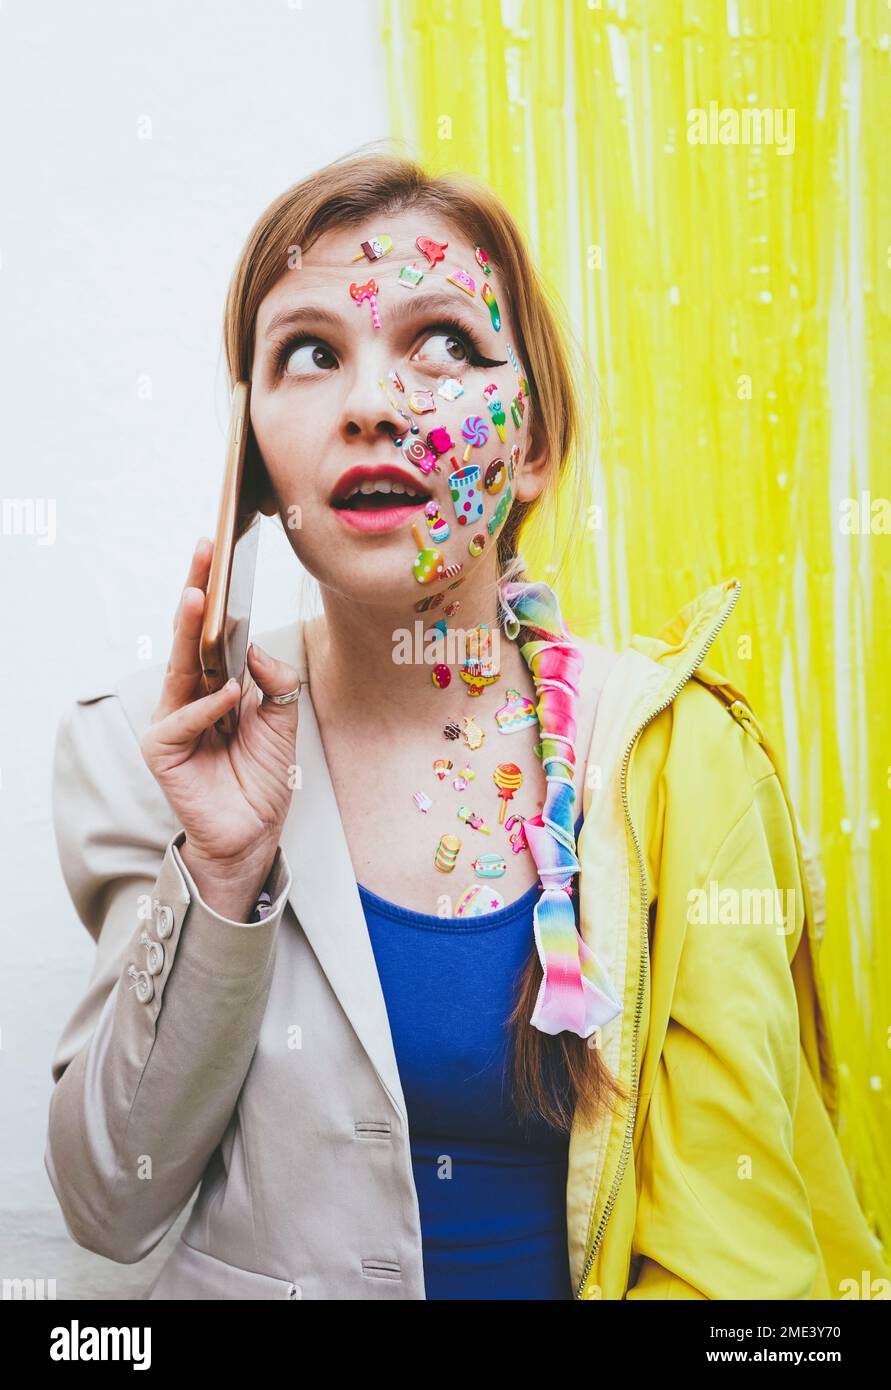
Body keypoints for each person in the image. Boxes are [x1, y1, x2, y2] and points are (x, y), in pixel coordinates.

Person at [45, 151, 889, 1301]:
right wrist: (221, 868)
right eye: (310, 352)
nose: (375, 403)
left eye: (445, 344)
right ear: (247, 464)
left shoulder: (675, 759)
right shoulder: (145, 753)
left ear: (534, 448)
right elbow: (109, 1203)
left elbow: (736, 1262)